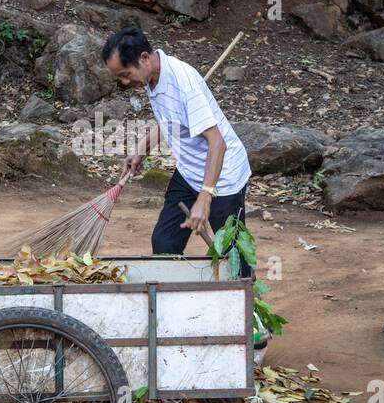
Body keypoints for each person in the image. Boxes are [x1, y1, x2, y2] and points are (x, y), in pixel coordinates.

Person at [100, 27, 269, 362]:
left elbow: (217, 143)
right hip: (190, 171)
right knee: (164, 244)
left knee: (233, 257)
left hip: (223, 177)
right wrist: (141, 148)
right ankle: (178, 321)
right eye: (119, 76)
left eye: (125, 74)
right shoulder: (151, 78)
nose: (124, 82)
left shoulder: (183, 83)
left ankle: (255, 336)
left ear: (144, 59)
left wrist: (205, 198)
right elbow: (170, 122)